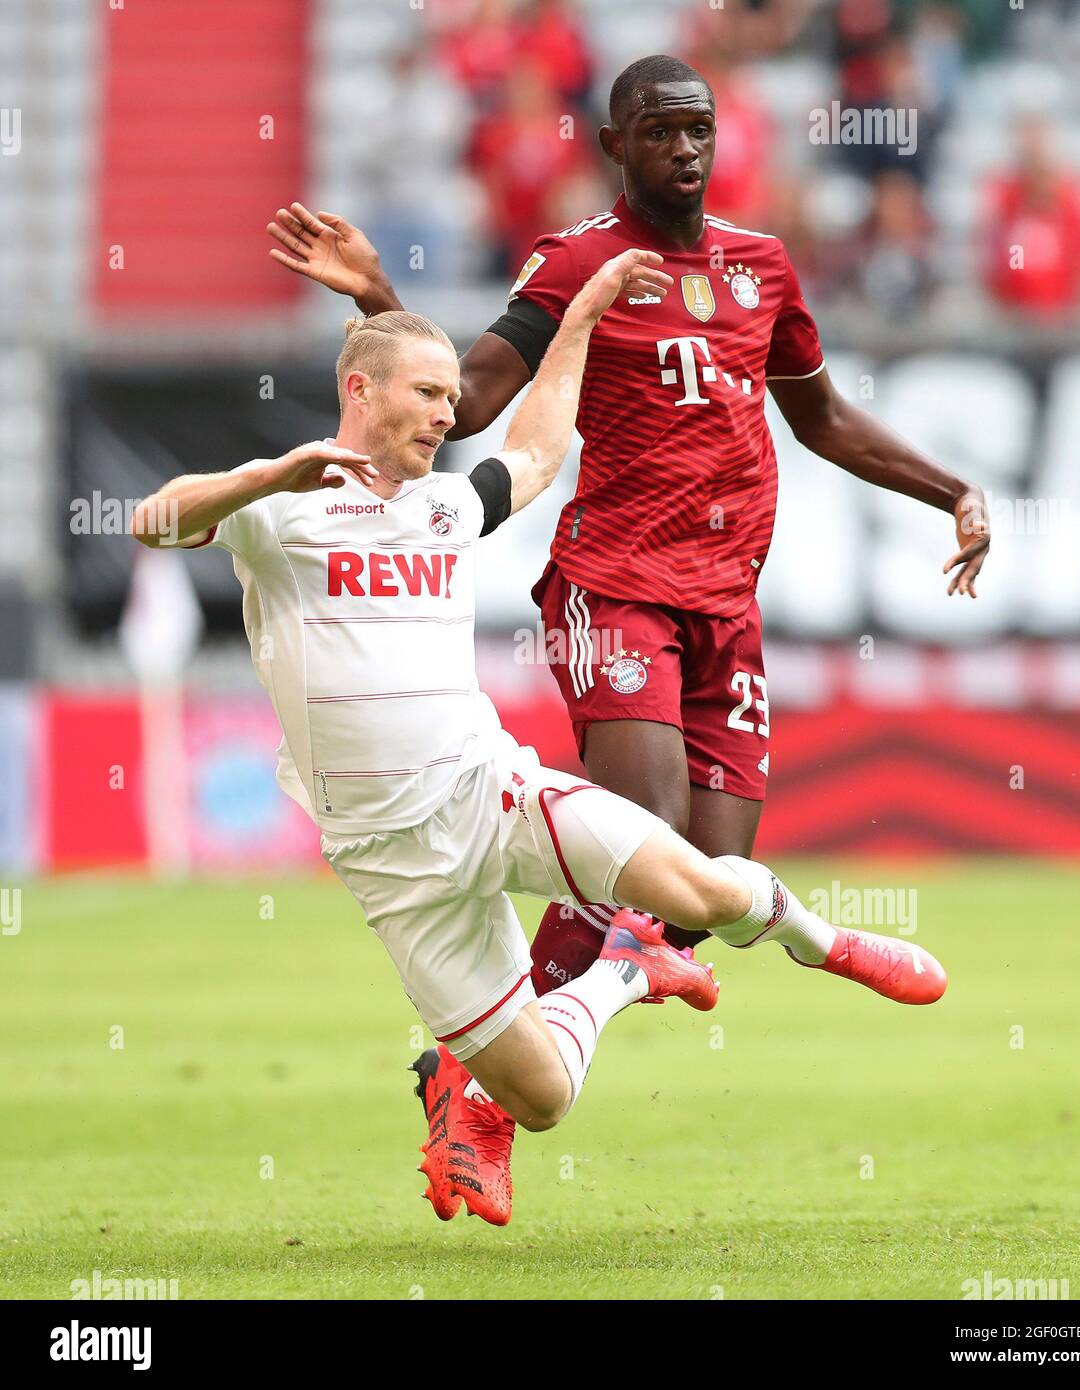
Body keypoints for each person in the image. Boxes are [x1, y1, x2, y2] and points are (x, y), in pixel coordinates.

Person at [130, 249, 947, 1228]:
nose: (445, 412)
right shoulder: (280, 512)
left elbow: (536, 451)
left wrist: (583, 319)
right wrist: (269, 472)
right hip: (392, 867)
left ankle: (826, 941)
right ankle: (623, 972)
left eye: (447, 395)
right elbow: (153, 521)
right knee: (544, 1099)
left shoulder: (440, 505)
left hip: (490, 791)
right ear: (361, 389)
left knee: (705, 884)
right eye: (427, 394)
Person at [264, 55, 989, 1007]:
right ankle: (492, 1078)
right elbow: (473, 401)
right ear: (615, 144)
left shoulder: (761, 264)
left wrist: (953, 491)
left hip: (726, 603)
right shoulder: (576, 261)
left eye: (696, 129)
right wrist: (374, 295)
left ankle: (506, 1043)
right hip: (615, 586)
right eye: (659, 131)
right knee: (647, 830)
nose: (683, 148)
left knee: (701, 890)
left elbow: (822, 420)